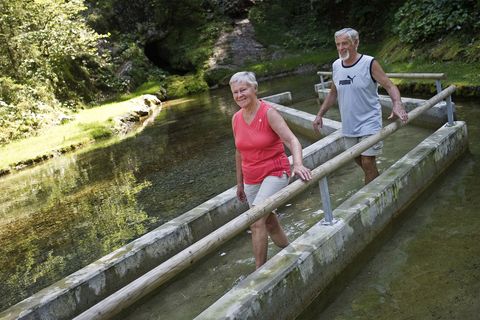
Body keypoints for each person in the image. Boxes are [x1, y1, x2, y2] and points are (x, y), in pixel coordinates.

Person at [230, 71, 312, 269]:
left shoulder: (268, 113)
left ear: (254, 89)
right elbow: (239, 152)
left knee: (256, 220)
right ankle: (290, 253)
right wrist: (239, 183)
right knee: (269, 222)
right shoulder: (235, 118)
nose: (239, 95)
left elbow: (292, 140)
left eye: (243, 90)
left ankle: (260, 272)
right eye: (235, 92)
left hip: (275, 171)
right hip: (251, 177)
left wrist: (298, 164)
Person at [313, 27, 408, 184]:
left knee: (367, 162)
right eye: (338, 44)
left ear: (356, 43)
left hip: (369, 121)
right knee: (360, 161)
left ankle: (370, 197)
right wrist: (320, 114)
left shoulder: (369, 63)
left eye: (345, 43)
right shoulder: (336, 65)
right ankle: (379, 184)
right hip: (349, 124)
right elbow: (333, 93)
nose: (341, 48)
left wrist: (397, 104)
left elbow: (390, 85)